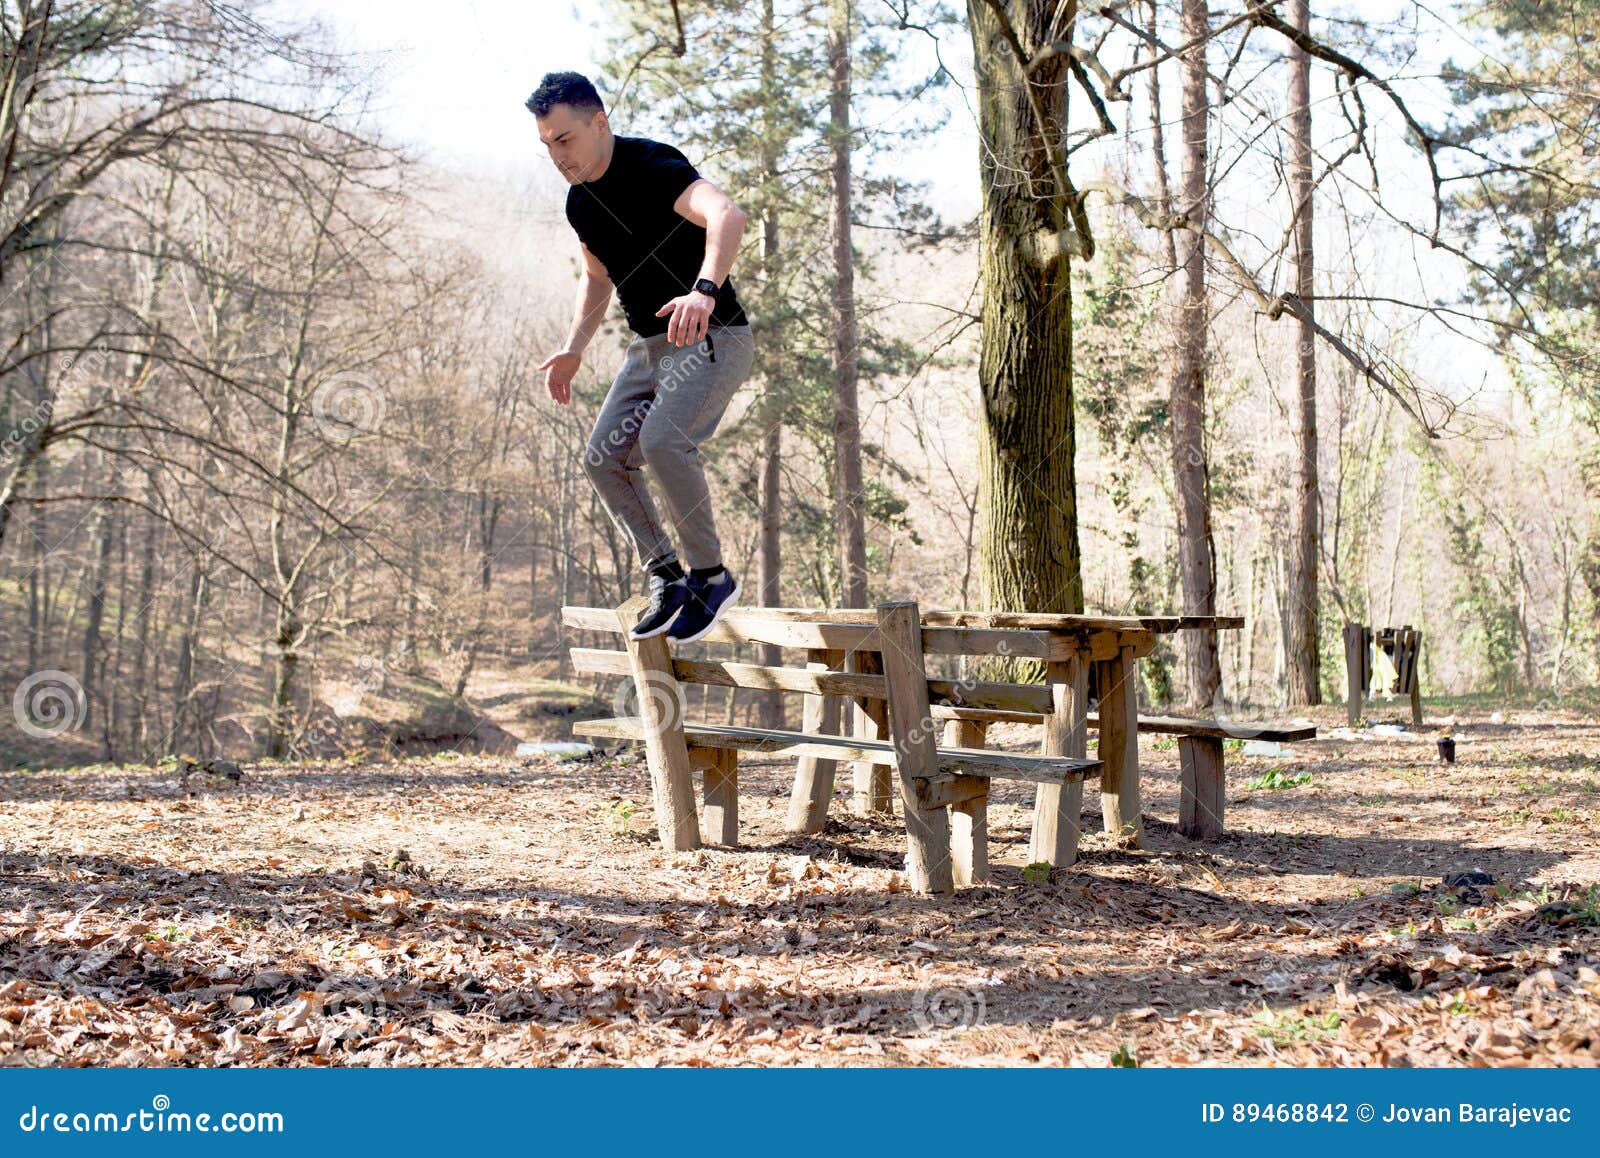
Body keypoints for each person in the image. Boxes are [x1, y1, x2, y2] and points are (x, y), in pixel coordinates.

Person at [529, 71, 753, 644]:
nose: (558, 154)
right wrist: (573, 349)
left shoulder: (653, 165)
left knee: (661, 443)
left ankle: (711, 575)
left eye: (565, 139)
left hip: (712, 336)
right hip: (650, 349)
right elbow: (596, 276)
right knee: (603, 458)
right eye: (547, 144)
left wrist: (703, 290)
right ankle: (667, 575)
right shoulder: (580, 203)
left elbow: (727, 215)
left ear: (599, 123)